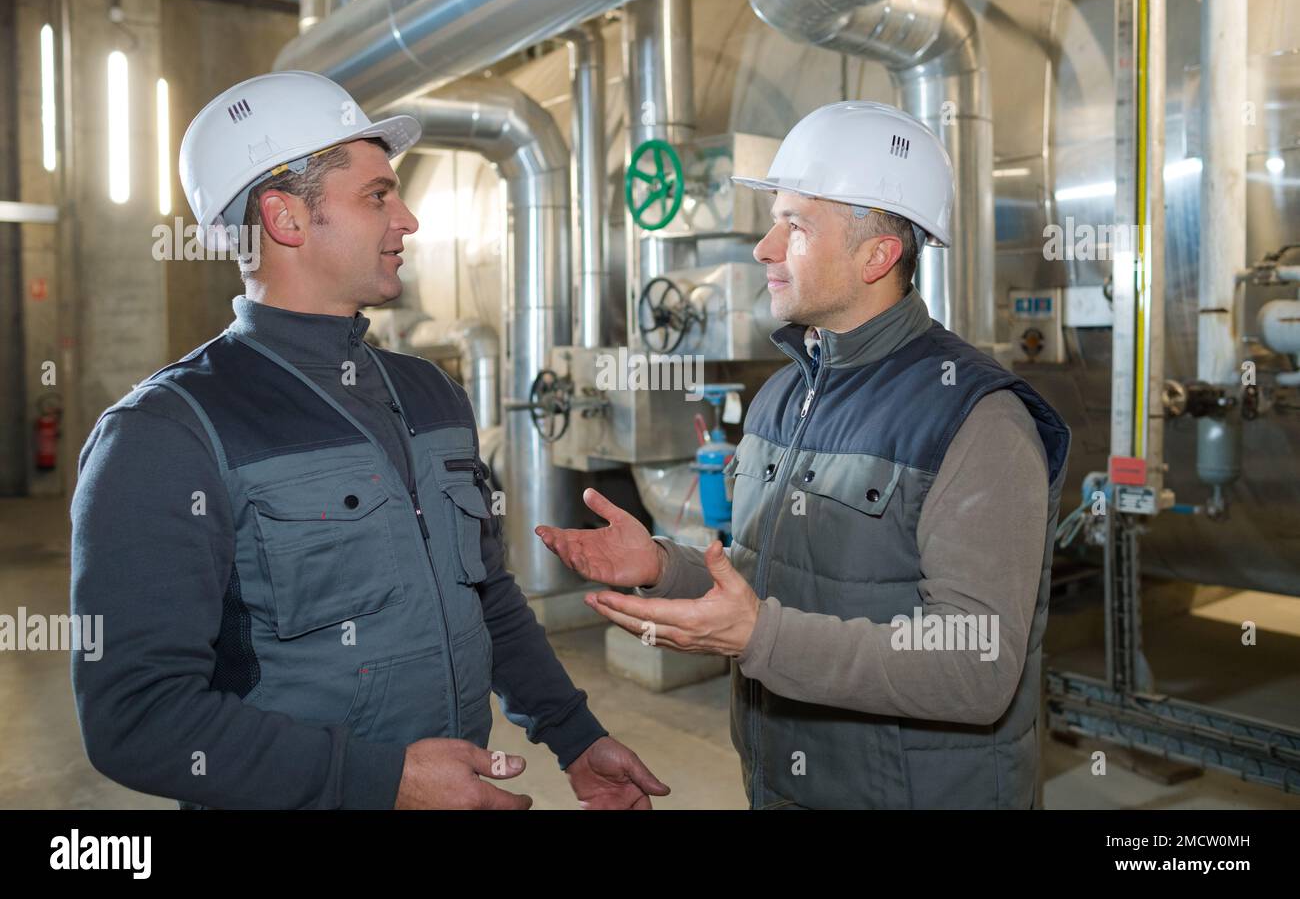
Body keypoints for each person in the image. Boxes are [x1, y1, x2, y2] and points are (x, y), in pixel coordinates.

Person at [70, 70, 667, 810]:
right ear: (285, 218)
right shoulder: (166, 433)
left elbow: (488, 596)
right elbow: (138, 720)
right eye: (378, 195)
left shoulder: (429, 393)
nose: (407, 220)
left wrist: (573, 735)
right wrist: (380, 782)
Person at [537, 101, 1071, 809]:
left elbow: (975, 665)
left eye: (794, 226)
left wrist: (760, 639)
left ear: (876, 255)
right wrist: (666, 569)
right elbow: (770, 589)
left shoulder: (976, 419)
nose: (761, 249)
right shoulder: (783, 397)